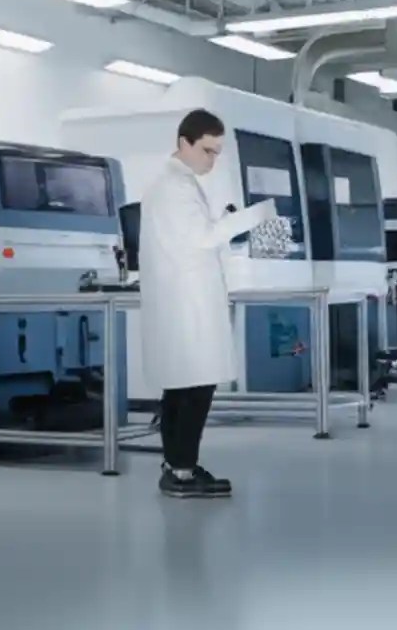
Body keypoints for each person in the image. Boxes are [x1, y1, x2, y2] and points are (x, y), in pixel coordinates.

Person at [138, 108, 278, 499]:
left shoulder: (177, 182)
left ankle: (179, 464)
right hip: (185, 303)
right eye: (207, 150)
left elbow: (193, 236)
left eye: (217, 152)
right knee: (193, 388)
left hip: (186, 300)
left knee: (184, 386)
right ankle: (181, 471)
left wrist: (222, 222)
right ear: (184, 142)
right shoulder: (173, 185)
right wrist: (253, 217)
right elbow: (202, 238)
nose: (212, 160)